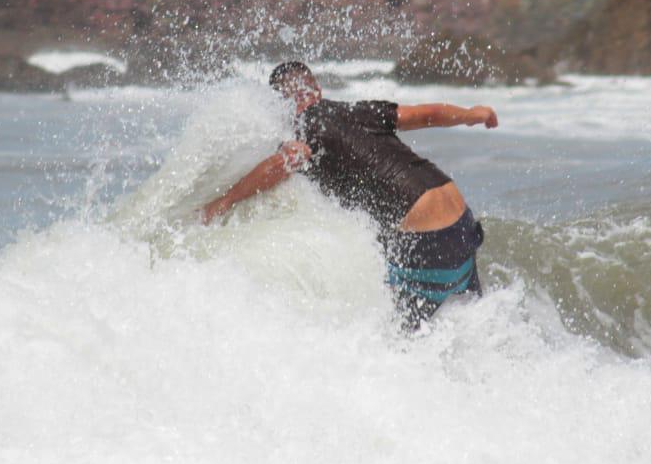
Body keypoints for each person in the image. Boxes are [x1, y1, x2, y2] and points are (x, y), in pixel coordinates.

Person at [200, 61, 498, 328]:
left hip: (427, 238)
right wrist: (471, 115)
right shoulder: (360, 110)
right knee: (480, 324)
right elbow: (427, 114)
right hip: (460, 221)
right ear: (315, 87)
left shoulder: (303, 128)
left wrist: (225, 201)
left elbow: (287, 160)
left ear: (281, 103)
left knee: (402, 343)